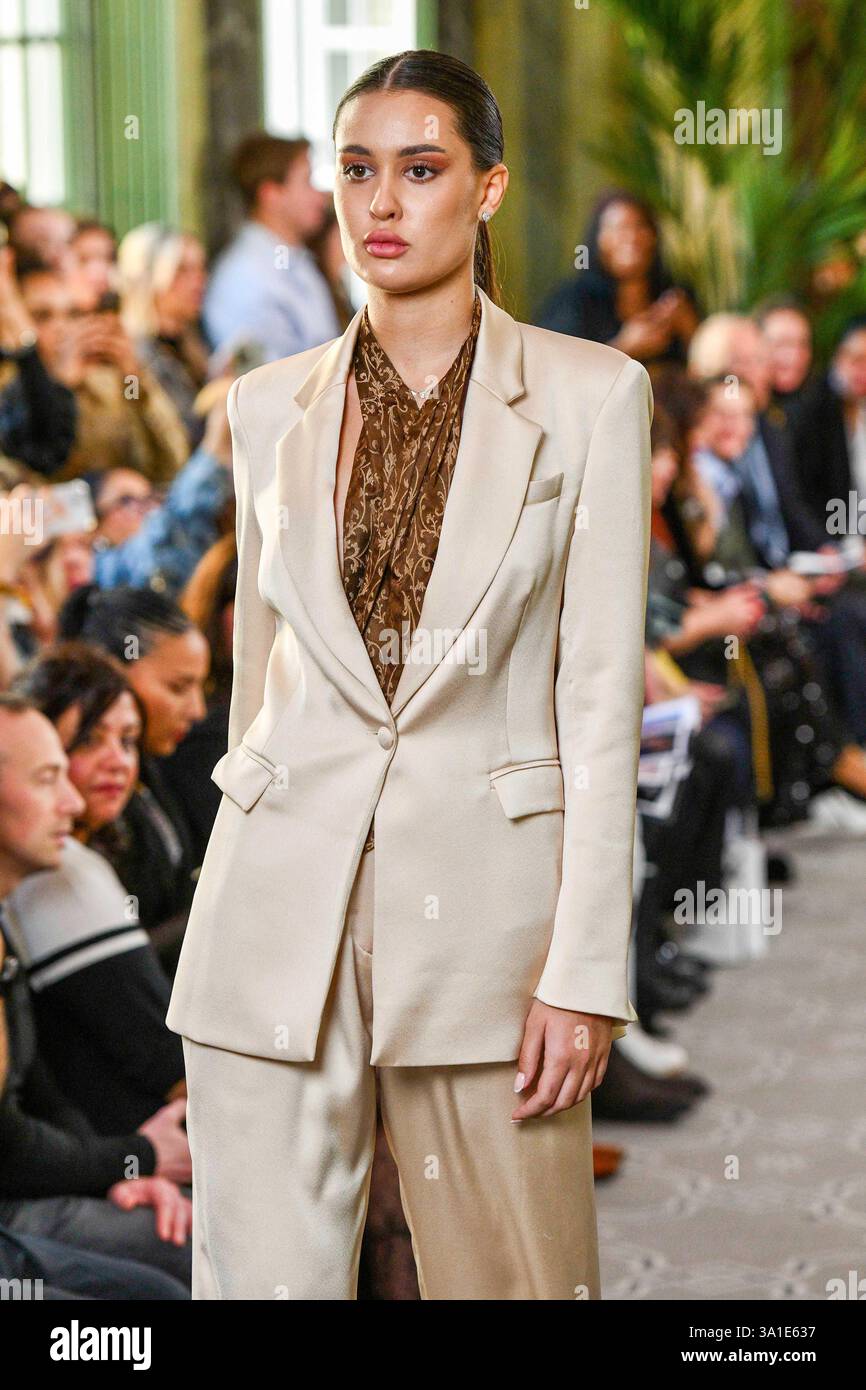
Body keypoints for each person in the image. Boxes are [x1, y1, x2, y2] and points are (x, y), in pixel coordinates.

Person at [167, 49, 653, 1301]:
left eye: (420, 170)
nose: (380, 204)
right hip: (275, 917)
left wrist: (584, 968)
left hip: (488, 931)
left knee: (515, 1283)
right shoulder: (265, 405)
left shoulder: (594, 396)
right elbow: (254, 686)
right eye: (357, 170)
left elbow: (599, 701)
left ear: (486, 189)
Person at [202, 133, 340, 365]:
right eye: (307, 181)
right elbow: (269, 384)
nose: (321, 197)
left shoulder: (295, 259)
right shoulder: (247, 276)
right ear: (271, 194)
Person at [536, 190, 699, 365]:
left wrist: (689, 328)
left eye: (640, 226)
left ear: (653, 236)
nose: (631, 237)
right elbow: (555, 370)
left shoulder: (676, 297)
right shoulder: (574, 301)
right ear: (597, 240)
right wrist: (623, 347)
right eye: (618, 228)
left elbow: (709, 373)